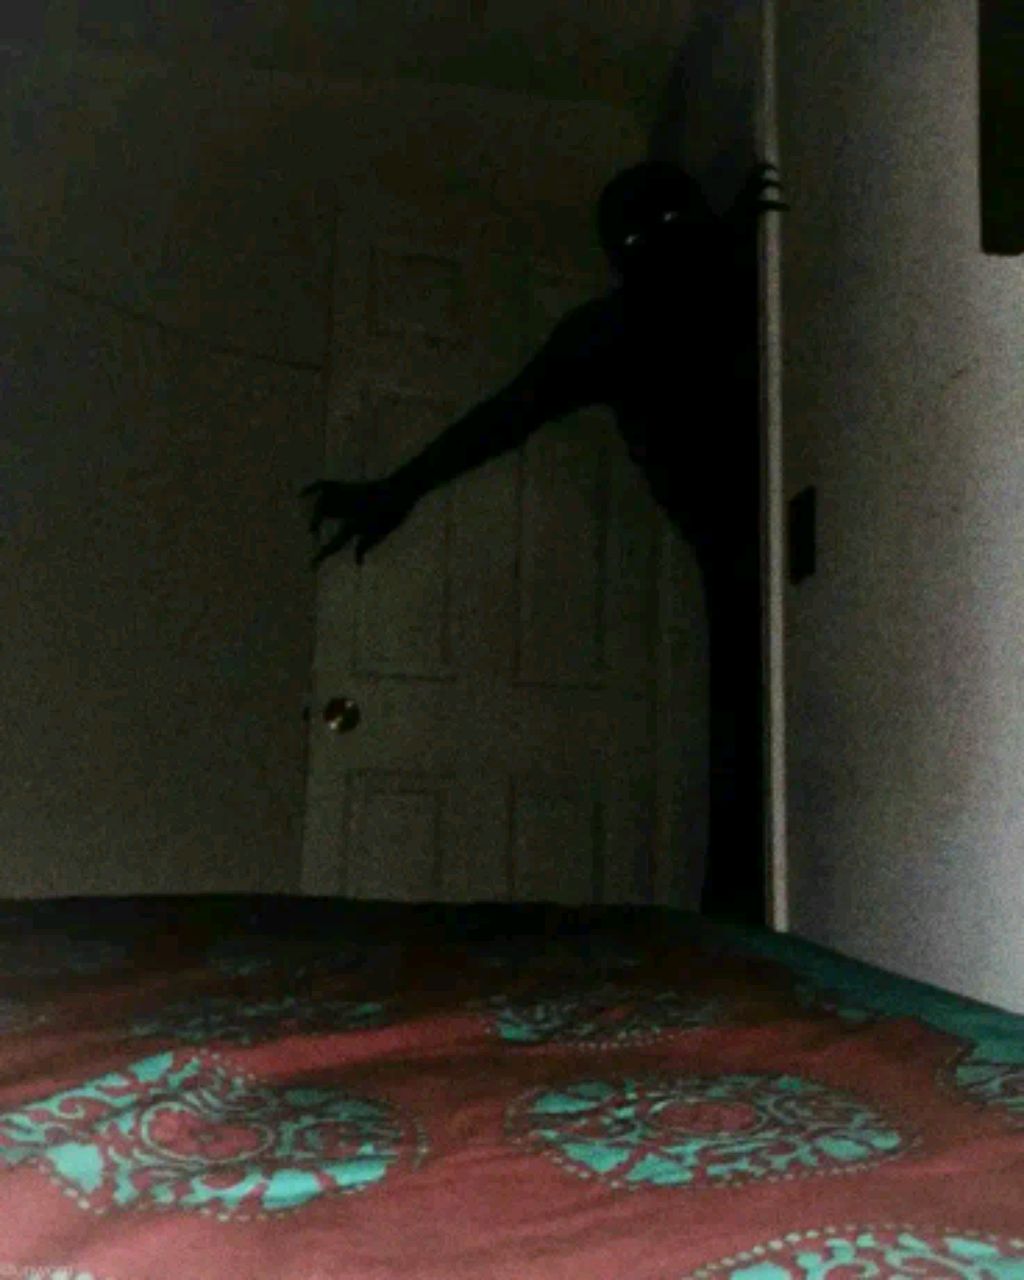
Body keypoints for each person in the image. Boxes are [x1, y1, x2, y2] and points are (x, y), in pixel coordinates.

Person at [302, 160, 785, 925]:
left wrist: (397, 491)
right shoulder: (615, 328)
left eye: (669, 224)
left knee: (753, 743)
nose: (661, 244)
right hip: (735, 544)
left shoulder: (700, 287)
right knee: (751, 745)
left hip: (763, 527)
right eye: (644, 236)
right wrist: (397, 489)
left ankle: (736, 929)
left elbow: (503, 417)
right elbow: (502, 419)